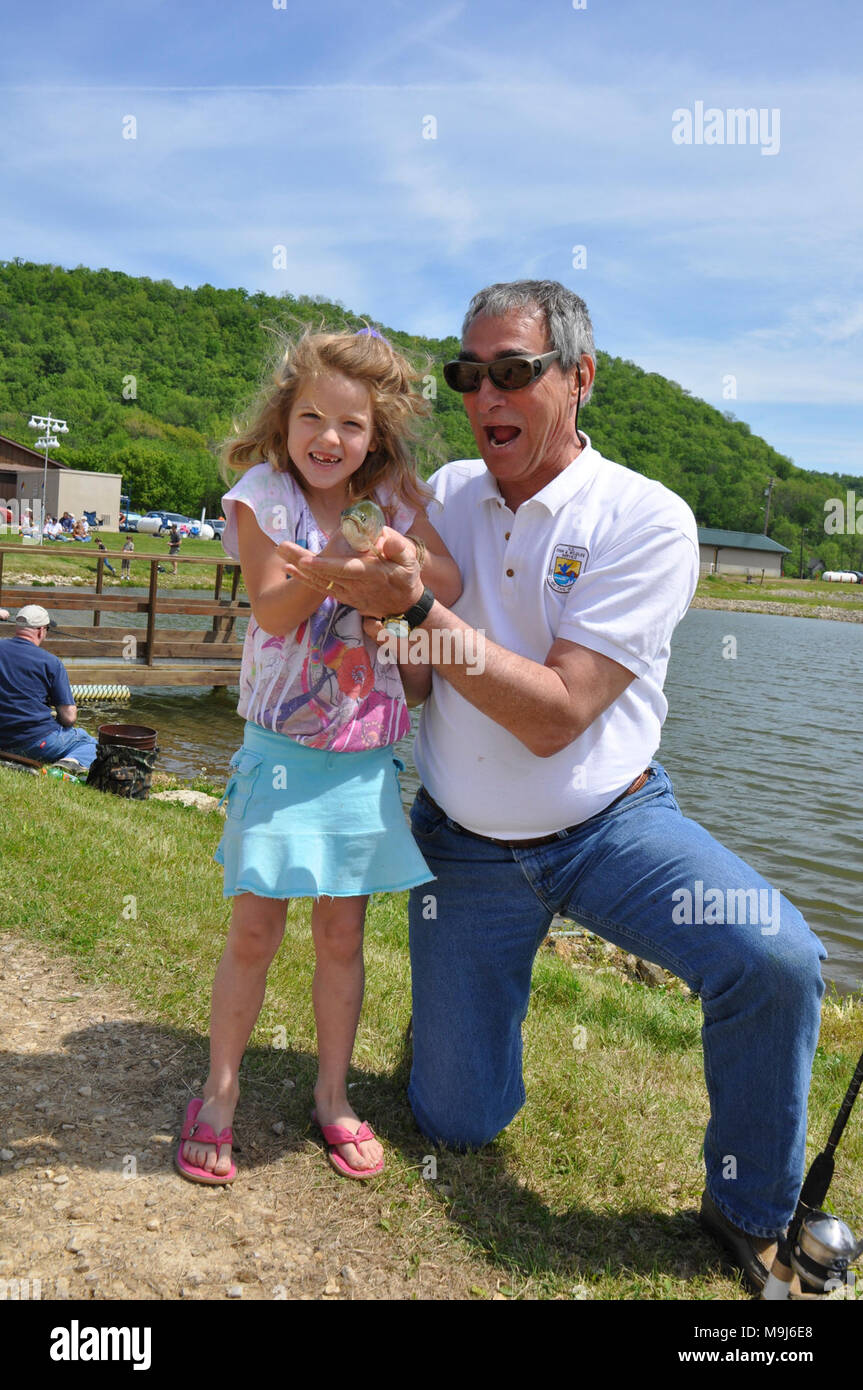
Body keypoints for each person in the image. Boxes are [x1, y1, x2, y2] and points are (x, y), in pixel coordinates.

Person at [278, 281, 827, 1292]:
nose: (485, 389)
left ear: (578, 378)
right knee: (456, 1119)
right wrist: (377, 618)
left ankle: (746, 1207)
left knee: (774, 956)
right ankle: (460, 1025)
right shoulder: (439, 494)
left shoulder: (644, 517)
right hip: (461, 842)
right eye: (467, 372)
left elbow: (557, 714)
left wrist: (419, 606)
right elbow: (410, 675)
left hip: (610, 826)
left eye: (513, 370)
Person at [176, 327, 462, 1186]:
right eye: (311, 417)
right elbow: (269, 610)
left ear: (377, 436)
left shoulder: (392, 494)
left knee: (343, 936)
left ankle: (331, 1095)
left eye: (351, 425)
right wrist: (338, 565)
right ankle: (218, 1090)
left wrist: (402, 562)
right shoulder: (260, 496)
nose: (328, 439)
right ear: (283, 416)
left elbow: (444, 579)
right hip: (278, 754)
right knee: (254, 929)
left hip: (364, 760)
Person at [0, 604, 98, 768]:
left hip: (2, 739)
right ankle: (71, 763)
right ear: (41, 631)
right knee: (88, 742)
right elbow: (69, 717)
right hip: (34, 743)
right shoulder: (51, 662)